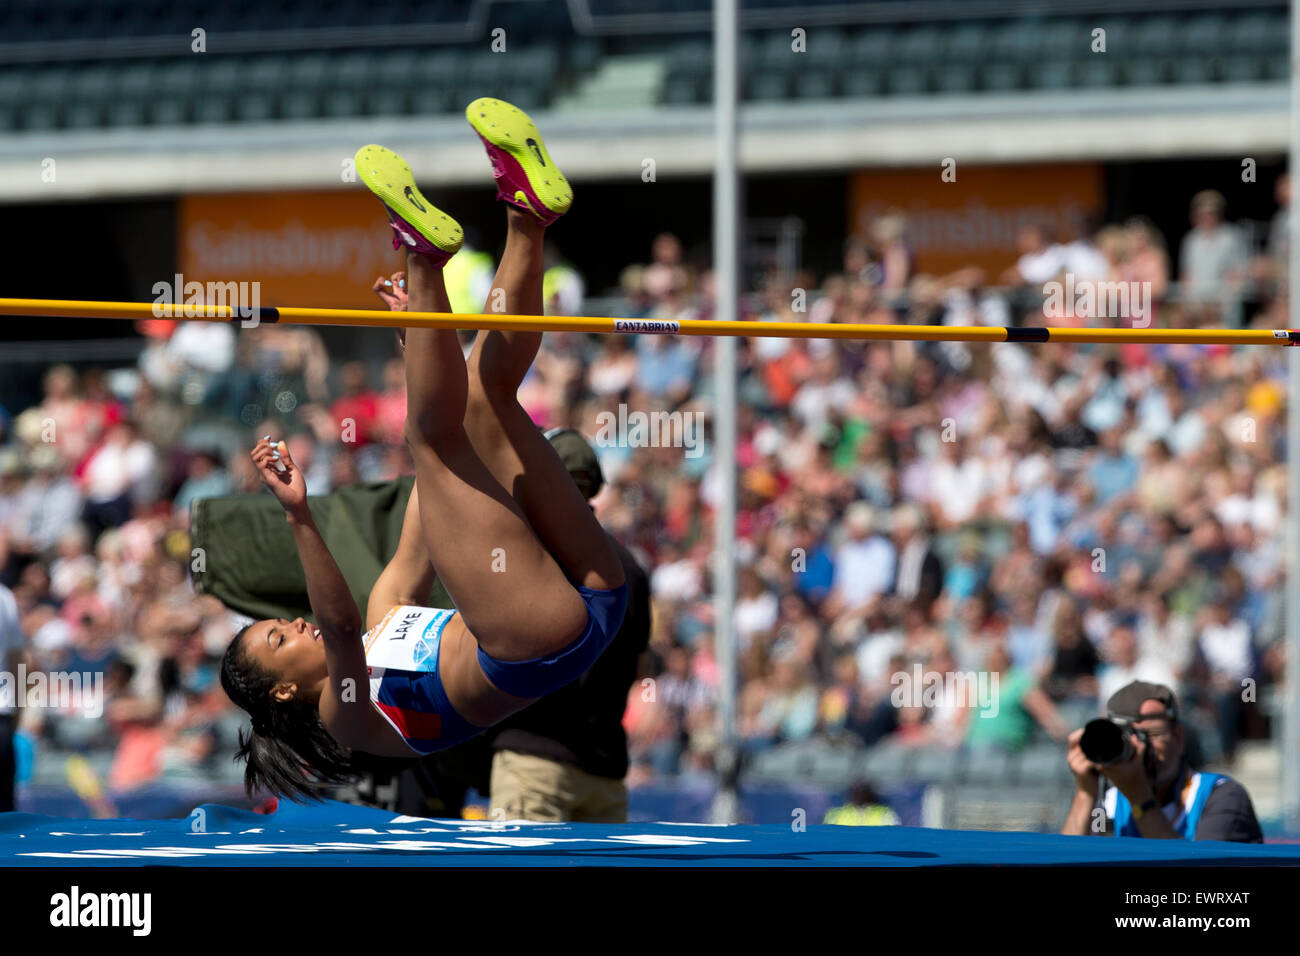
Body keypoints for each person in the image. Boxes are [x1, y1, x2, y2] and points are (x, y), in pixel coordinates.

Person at [219, 97, 628, 801]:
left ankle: (525, 217)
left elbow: (427, 512)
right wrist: (298, 514)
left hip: (589, 601)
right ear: (283, 691)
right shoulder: (345, 715)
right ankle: (423, 257)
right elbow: (342, 625)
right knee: (441, 432)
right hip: (536, 643)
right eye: (279, 639)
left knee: (480, 398)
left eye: (279, 623)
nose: (294, 623)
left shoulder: (386, 619)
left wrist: (417, 347)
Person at [1061, 680, 1262, 842]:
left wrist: (1139, 798)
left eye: (1152, 734)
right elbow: (1066, 862)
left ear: (1179, 737)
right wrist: (1085, 793)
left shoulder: (1221, 795)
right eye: (1126, 736)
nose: (1140, 747)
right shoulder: (1108, 802)